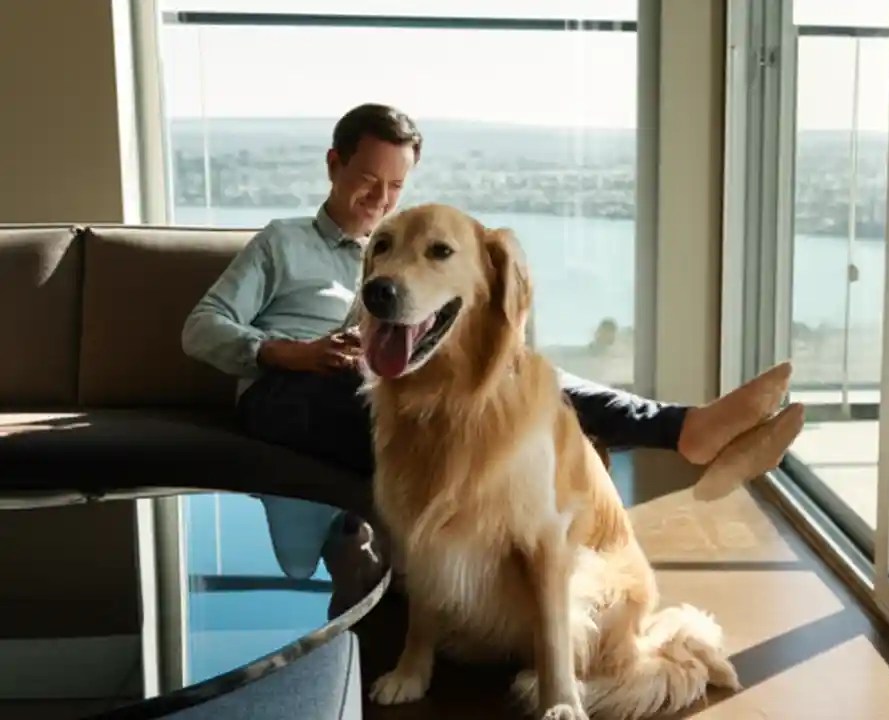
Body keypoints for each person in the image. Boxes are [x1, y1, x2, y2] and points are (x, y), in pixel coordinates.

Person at [180, 103, 805, 589]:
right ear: (333, 164)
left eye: (396, 187)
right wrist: (291, 352)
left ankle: (685, 428)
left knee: (510, 372)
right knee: (446, 428)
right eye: (368, 179)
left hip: (377, 380)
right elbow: (201, 326)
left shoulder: (407, 251)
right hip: (287, 392)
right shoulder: (281, 243)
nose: (380, 199)